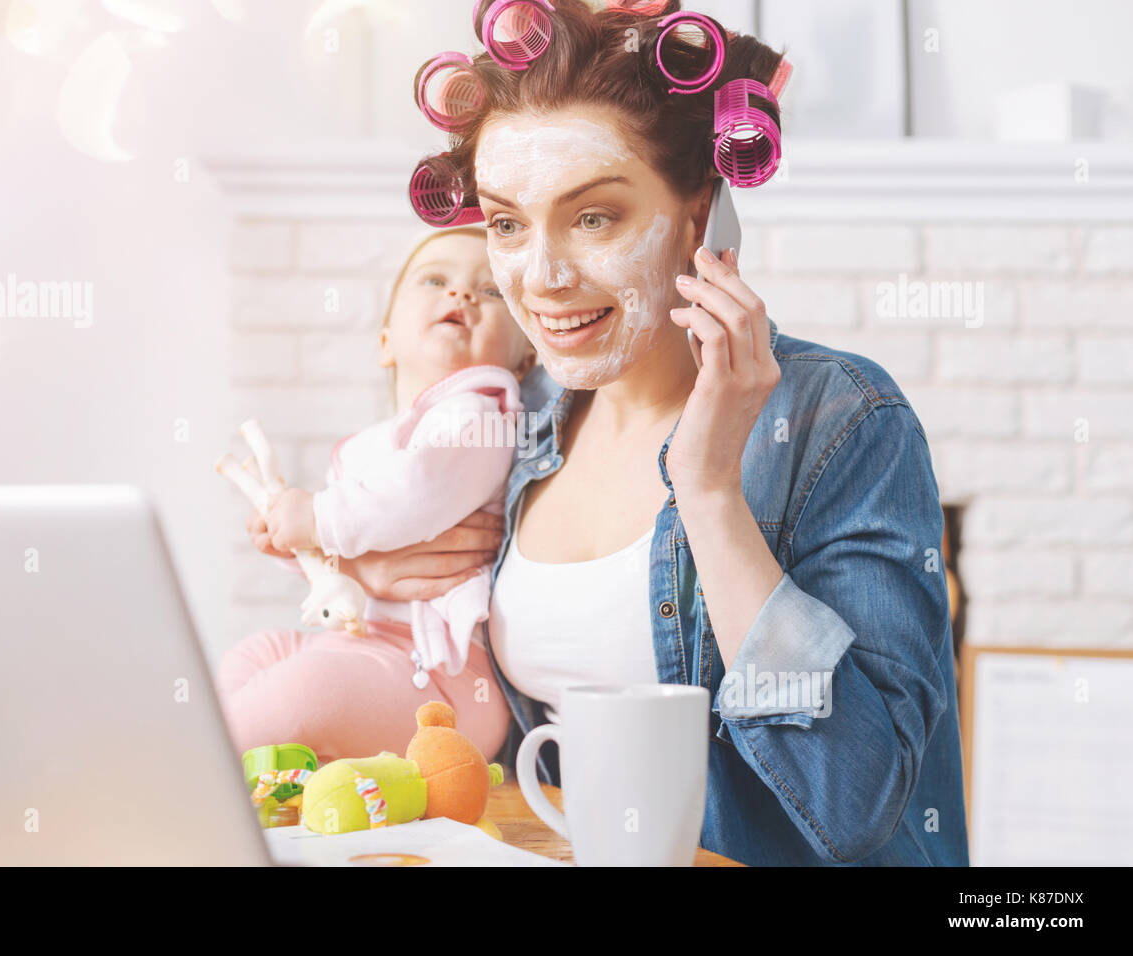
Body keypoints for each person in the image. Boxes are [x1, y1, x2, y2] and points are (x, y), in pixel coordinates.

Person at [345, 0, 969, 866]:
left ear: (700, 211)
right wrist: (371, 569)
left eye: (594, 217)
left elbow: (853, 804)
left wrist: (710, 494)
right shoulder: (517, 421)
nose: (544, 278)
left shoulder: (843, 420)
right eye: (506, 224)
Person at [219, 227, 534, 763]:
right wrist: (291, 546)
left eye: (492, 292)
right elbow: (348, 558)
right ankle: (239, 771)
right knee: (253, 657)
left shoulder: (481, 416)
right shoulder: (370, 446)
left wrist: (314, 516)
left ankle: (192, 771)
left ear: (524, 360)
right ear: (385, 341)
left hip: (442, 679)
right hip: (362, 646)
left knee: (299, 695)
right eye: (435, 279)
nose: (460, 295)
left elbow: (416, 491)